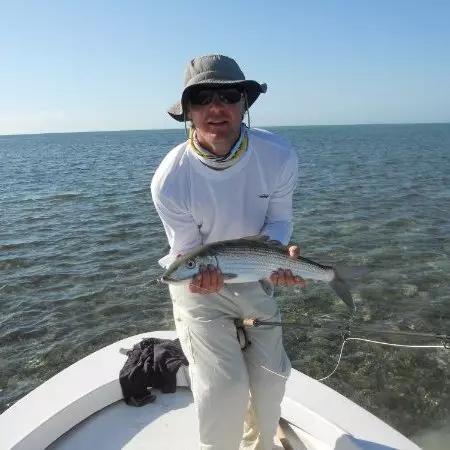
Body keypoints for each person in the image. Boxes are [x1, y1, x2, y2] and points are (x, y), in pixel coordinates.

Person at [151, 54, 304, 450]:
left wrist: (277, 259)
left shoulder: (280, 156)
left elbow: (280, 220)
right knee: (225, 389)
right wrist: (197, 282)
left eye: (229, 95)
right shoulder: (170, 180)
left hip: (254, 274)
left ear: (244, 104)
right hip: (197, 285)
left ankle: (262, 444)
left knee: (272, 380)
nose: (216, 107)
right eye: (202, 98)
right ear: (187, 112)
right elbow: (187, 254)